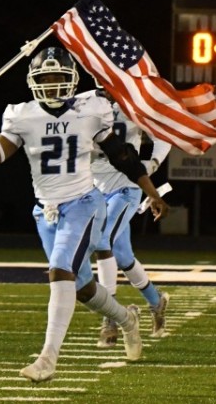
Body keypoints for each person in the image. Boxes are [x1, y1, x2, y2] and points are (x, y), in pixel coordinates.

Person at [0, 47, 161, 382]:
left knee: (59, 270)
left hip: (84, 204)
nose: (52, 84)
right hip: (46, 211)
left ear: (72, 80)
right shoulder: (22, 115)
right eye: (46, 78)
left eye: (58, 77)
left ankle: (47, 359)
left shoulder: (89, 111)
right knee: (81, 287)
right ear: (33, 81)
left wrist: (151, 192)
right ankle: (126, 319)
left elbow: (122, 155)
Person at [87, 87, 173, 347]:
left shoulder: (135, 101)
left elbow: (163, 134)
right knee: (123, 255)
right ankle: (156, 302)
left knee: (102, 241)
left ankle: (110, 318)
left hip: (126, 185)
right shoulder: (84, 102)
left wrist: (153, 163)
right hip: (94, 186)